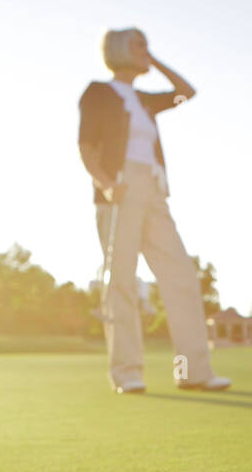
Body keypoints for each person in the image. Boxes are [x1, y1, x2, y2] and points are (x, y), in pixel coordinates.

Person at [78, 28, 230, 394]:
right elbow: (85, 145)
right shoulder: (98, 93)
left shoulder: (145, 99)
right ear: (117, 50)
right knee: (122, 280)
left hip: (154, 190)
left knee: (181, 276)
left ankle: (193, 371)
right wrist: (105, 183)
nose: (145, 50)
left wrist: (154, 61)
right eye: (138, 45)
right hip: (120, 186)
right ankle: (127, 372)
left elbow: (185, 93)